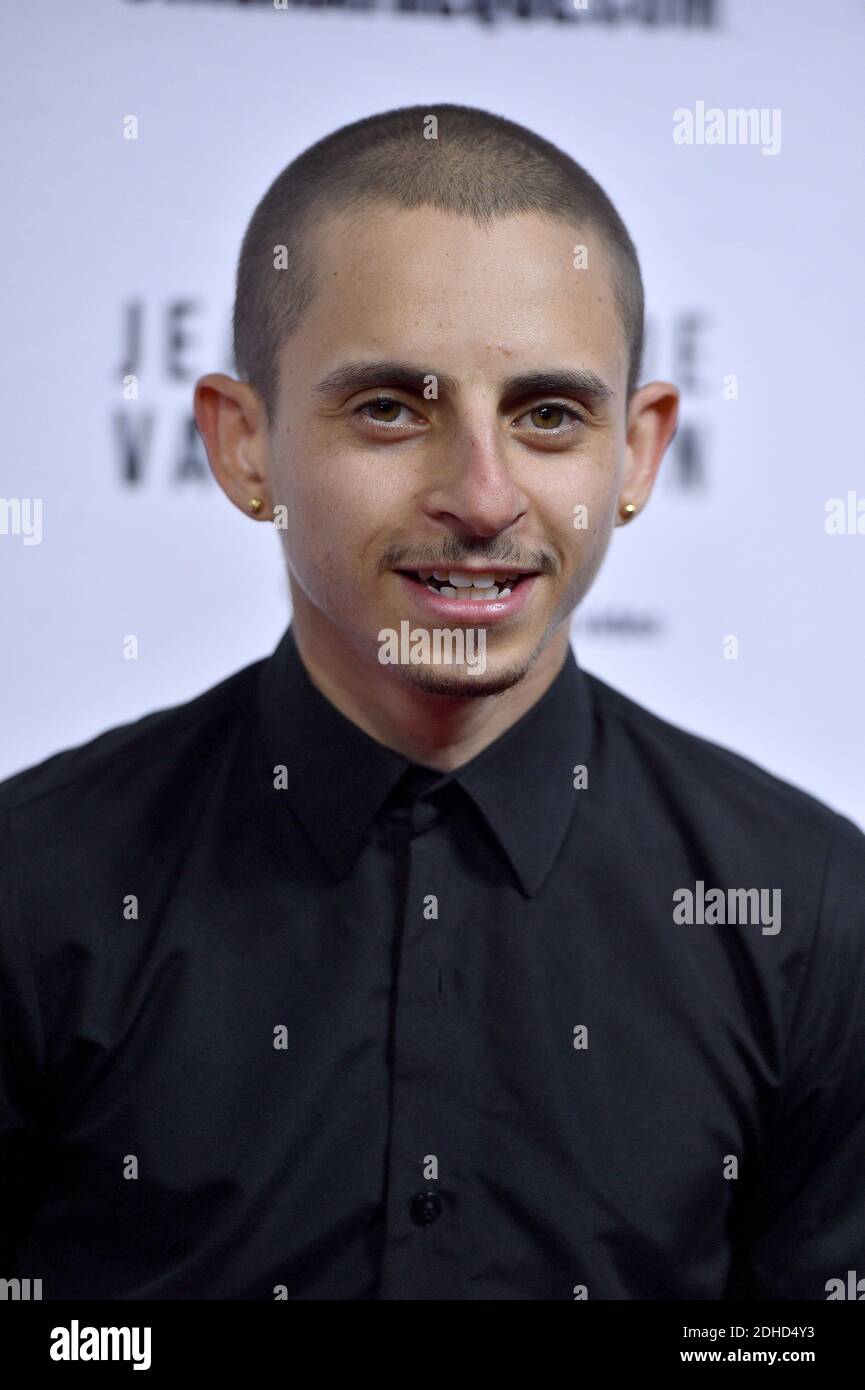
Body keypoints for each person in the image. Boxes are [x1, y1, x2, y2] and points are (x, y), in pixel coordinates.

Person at [2, 103, 863, 1301]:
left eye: (547, 415)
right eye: (391, 409)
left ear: (638, 452)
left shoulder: (811, 918)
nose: (482, 495)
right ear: (243, 446)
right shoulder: (33, 888)